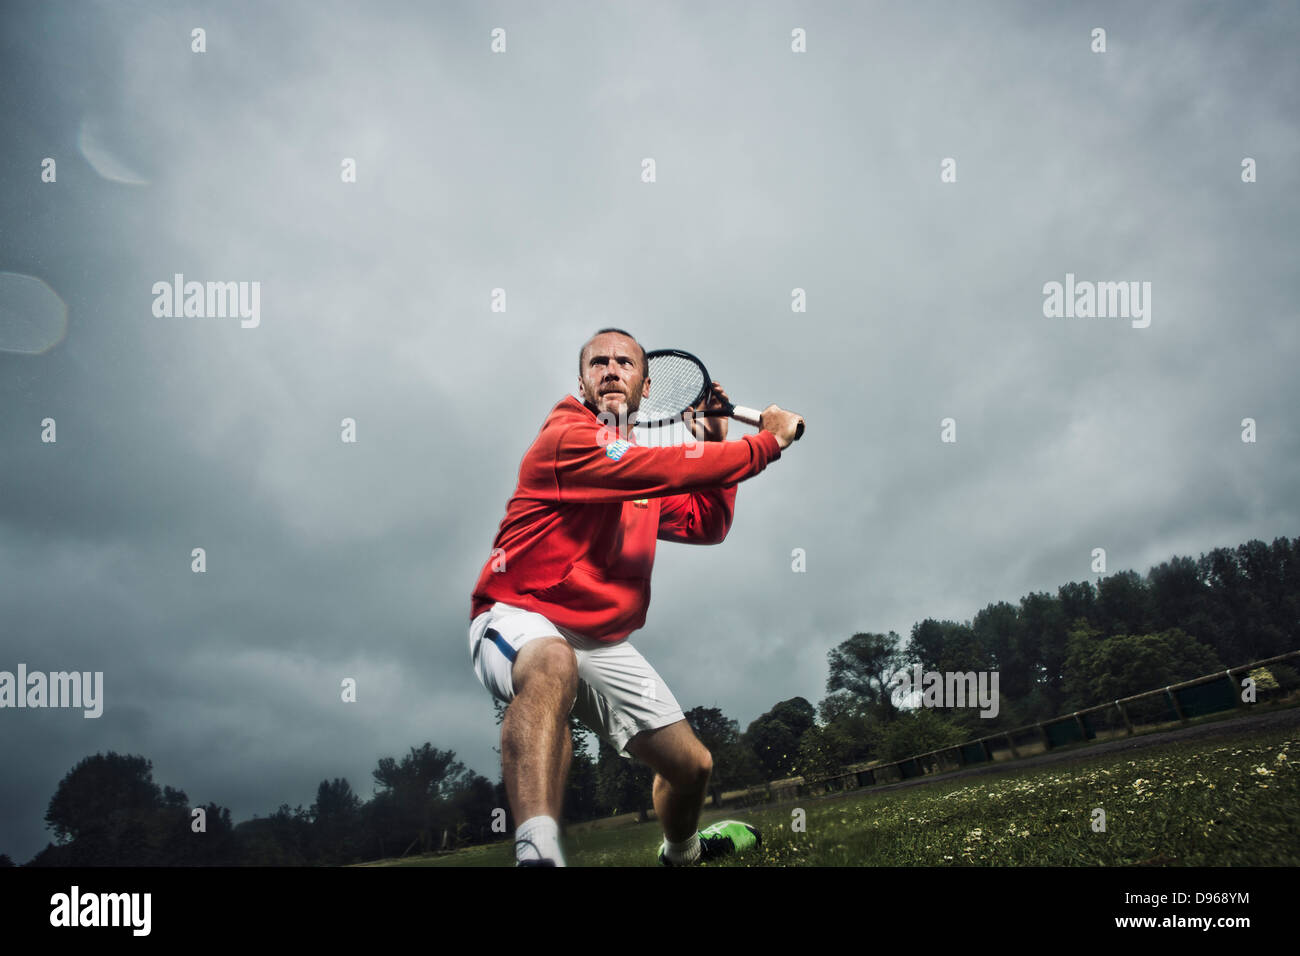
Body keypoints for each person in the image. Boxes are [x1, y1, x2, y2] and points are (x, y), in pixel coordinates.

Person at [467, 328, 804, 866]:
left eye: (625, 362)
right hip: (517, 614)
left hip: (598, 640)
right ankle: (537, 854)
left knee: (691, 767)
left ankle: (683, 854)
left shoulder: (635, 477)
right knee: (552, 660)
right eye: (597, 362)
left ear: (646, 386)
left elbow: (705, 522)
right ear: (581, 380)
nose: (610, 369)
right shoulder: (567, 436)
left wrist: (718, 438)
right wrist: (765, 442)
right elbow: (661, 466)